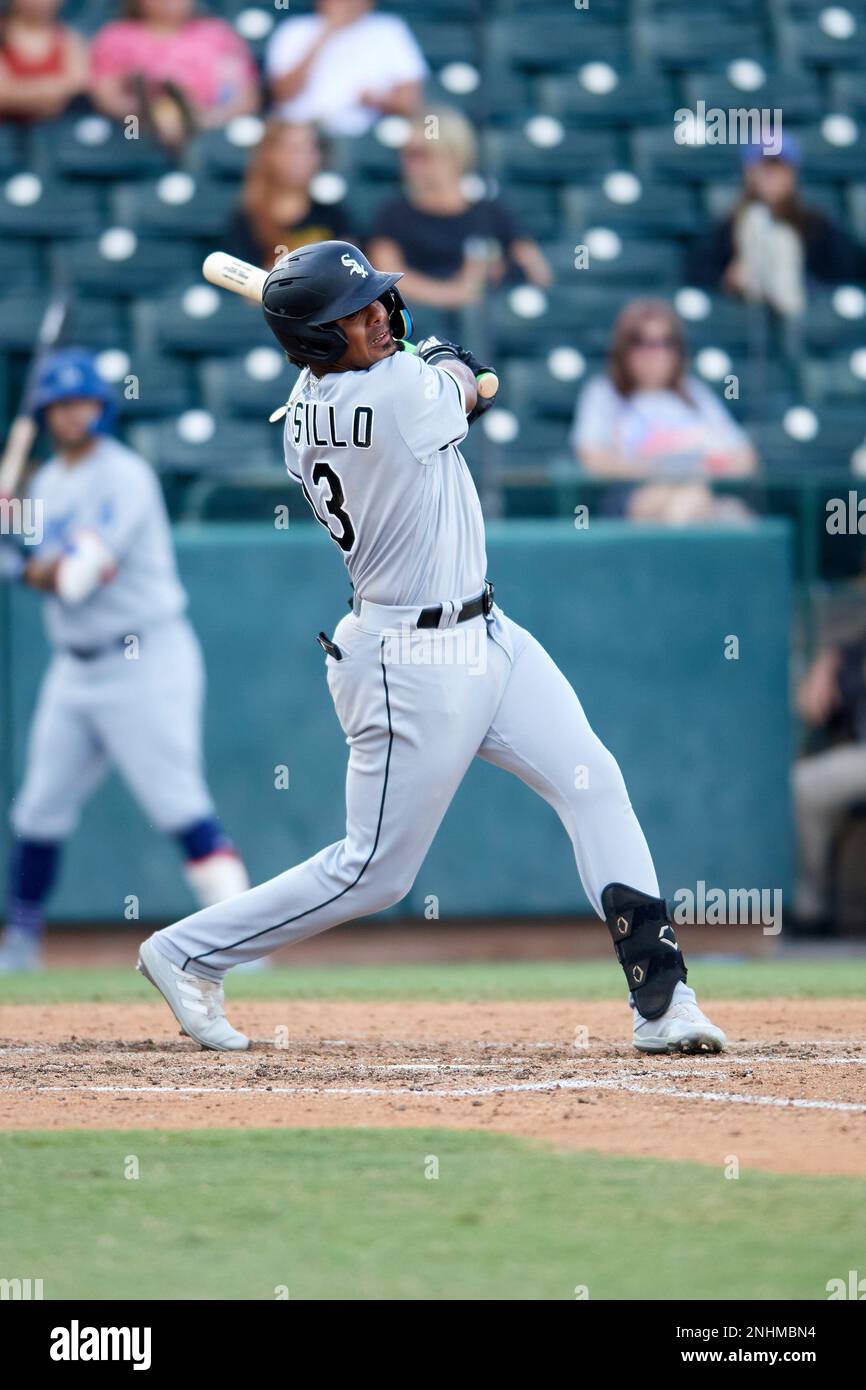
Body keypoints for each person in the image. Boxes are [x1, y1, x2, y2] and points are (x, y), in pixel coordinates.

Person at [135, 240, 727, 1058]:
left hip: (489, 633)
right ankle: (186, 951)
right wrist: (449, 357)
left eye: (378, 302)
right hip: (407, 665)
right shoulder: (394, 397)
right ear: (313, 340)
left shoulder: (315, 402)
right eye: (357, 313)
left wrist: (391, 333)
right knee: (374, 872)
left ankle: (664, 1003)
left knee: (594, 782)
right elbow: (475, 378)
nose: (380, 315)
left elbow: (452, 373)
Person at [0, 350, 249, 972]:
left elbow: (79, 577)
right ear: (45, 413)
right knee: (38, 808)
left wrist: (19, 563)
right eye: (59, 404)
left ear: (102, 406)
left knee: (179, 805)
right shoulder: (46, 484)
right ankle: (20, 944)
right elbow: (22, 554)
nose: (71, 414)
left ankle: (244, 943)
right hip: (74, 666)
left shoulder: (125, 475)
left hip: (145, 658)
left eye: (81, 401)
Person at [572, 298, 756, 524]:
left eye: (665, 343)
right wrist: (659, 469)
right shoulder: (603, 393)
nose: (654, 353)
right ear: (623, 348)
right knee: (687, 503)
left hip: (700, 491)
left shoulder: (695, 393)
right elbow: (593, 460)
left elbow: (745, 458)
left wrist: (701, 468)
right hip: (630, 497)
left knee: (729, 512)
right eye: (641, 342)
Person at [368, 107, 551, 318]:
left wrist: (500, 271)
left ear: (454, 155)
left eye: (422, 155)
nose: (410, 164)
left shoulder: (490, 212)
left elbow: (538, 271)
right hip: (423, 323)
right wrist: (453, 294)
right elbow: (387, 276)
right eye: (407, 154)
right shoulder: (392, 213)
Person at [686, 134, 863, 316]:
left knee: (782, 242)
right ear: (749, 172)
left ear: (793, 172)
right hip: (745, 320)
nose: (772, 176)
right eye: (765, 167)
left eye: (779, 167)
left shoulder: (818, 227)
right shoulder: (725, 230)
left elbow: (845, 278)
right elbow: (698, 282)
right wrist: (727, 281)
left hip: (806, 319)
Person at [89, 0, 259, 147]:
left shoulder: (218, 35)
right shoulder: (117, 36)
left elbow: (245, 96)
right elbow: (107, 97)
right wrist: (152, 117)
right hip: (139, 126)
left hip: (208, 124)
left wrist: (209, 119)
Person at [266, 0, 425, 138]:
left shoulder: (390, 30)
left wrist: (377, 100)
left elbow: (409, 102)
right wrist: (327, 31)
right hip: (298, 134)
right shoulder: (293, 29)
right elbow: (281, 93)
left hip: (363, 135)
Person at [793, 632, 866, 931]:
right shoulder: (850, 652)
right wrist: (825, 666)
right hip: (858, 755)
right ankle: (811, 912)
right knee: (804, 786)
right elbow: (809, 707)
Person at [225, 120, 351, 271]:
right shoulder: (247, 216)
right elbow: (239, 278)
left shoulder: (333, 213)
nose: (303, 159)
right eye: (294, 150)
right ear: (270, 155)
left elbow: (349, 272)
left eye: (310, 149)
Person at [0, 0, 89, 121]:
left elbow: (78, 88)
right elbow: (3, 94)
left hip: (56, 129)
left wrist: (20, 91)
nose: (38, 2)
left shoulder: (69, 39)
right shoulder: (3, 34)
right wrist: (55, 91)